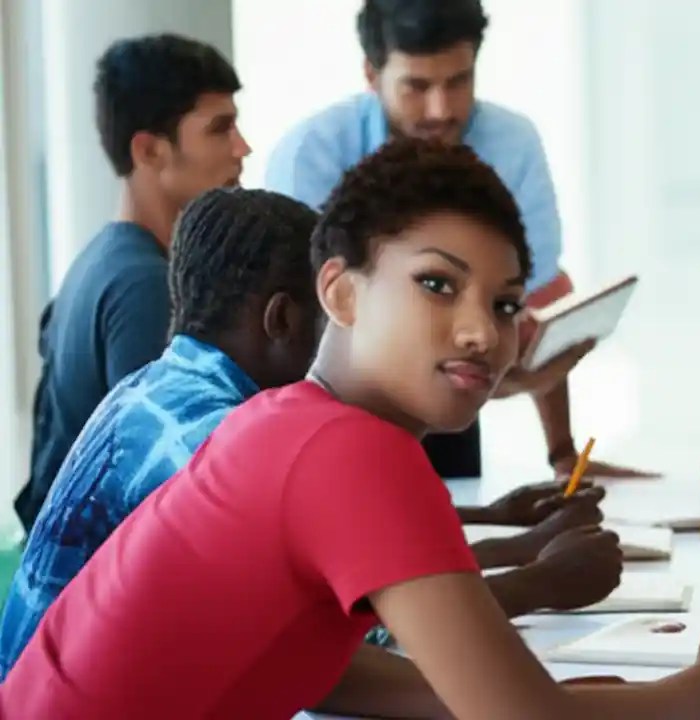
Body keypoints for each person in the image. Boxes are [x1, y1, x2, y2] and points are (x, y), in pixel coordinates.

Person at [0, 139, 700, 719]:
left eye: (505, 303)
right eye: (437, 284)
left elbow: (323, 671)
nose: (482, 332)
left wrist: (502, 692)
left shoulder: (286, 421)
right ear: (340, 293)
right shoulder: (350, 452)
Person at [0, 189, 620, 679]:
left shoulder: (159, 389)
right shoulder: (214, 435)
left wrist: (504, 531)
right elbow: (361, 628)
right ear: (283, 319)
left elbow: (348, 575)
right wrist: (543, 581)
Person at [265, 0, 648, 480]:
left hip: (454, 401)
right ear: (371, 74)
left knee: (449, 506)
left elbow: (538, 297)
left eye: (459, 81)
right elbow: (302, 324)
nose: (441, 110)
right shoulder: (312, 153)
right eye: (417, 86)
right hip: (332, 410)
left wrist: (562, 455)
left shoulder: (513, 143)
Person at [14, 33, 251, 532]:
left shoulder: (100, 262)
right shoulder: (143, 286)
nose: (242, 148)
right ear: (149, 150)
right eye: (220, 129)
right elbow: (165, 492)